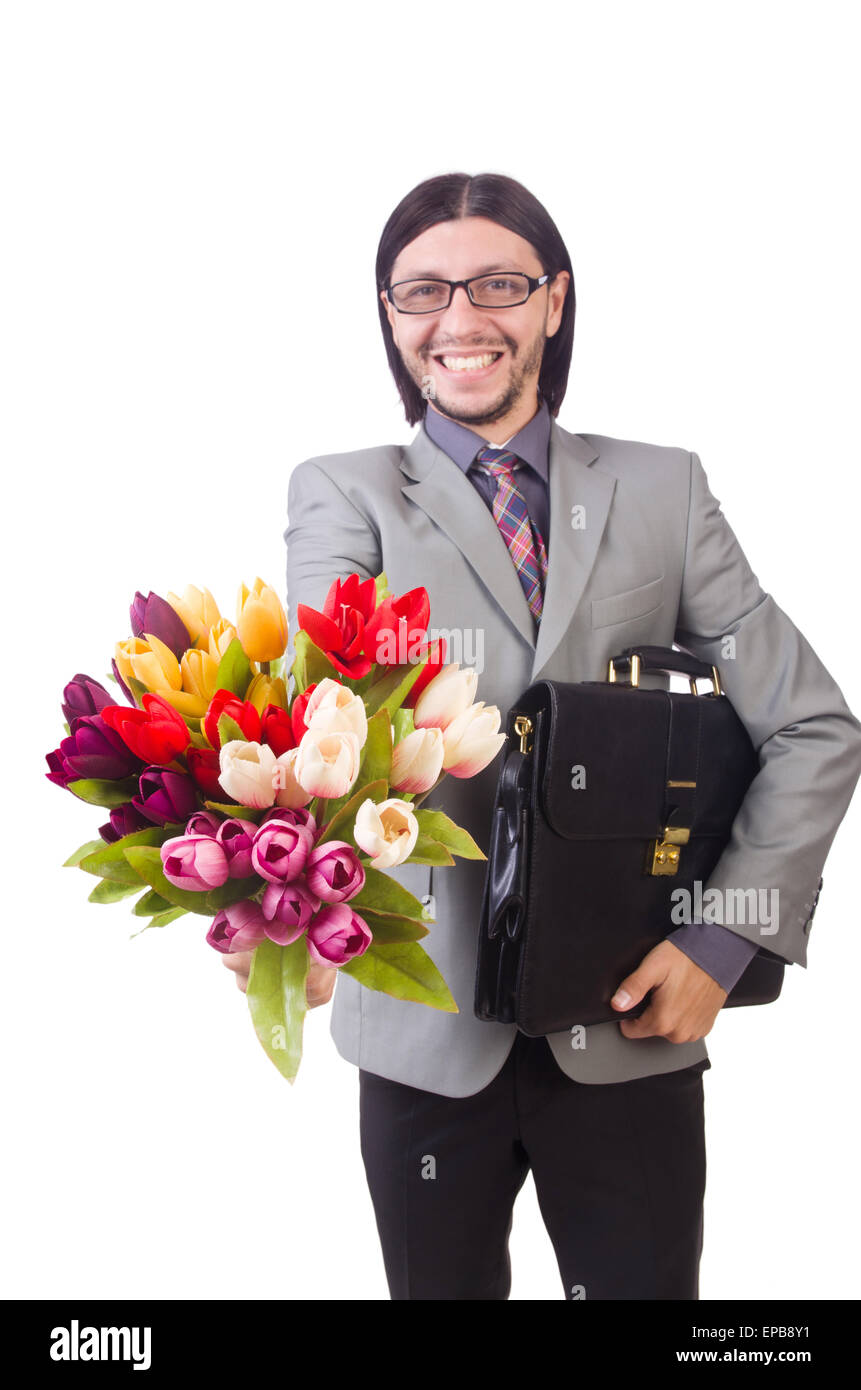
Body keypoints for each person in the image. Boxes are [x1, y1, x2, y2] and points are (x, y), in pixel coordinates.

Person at [224, 171, 861, 1300]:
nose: (459, 319)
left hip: (632, 1015)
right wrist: (278, 914)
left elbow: (814, 726)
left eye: (499, 284)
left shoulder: (663, 492)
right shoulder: (347, 496)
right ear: (389, 315)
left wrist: (722, 945)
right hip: (425, 1028)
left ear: (553, 303)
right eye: (422, 290)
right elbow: (307, 725)